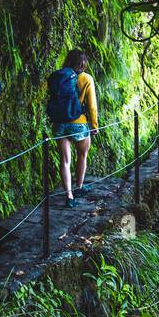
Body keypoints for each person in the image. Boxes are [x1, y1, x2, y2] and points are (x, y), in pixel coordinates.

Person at [45, 50, 99, 207]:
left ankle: (69, 196)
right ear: (83, 63)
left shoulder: (59, 77)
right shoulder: (86, 78)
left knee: (65, 160)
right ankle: (79, 187)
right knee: (82, 155)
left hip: (59, 123)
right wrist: (94, 125)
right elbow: (92, 106)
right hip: (79, 123)